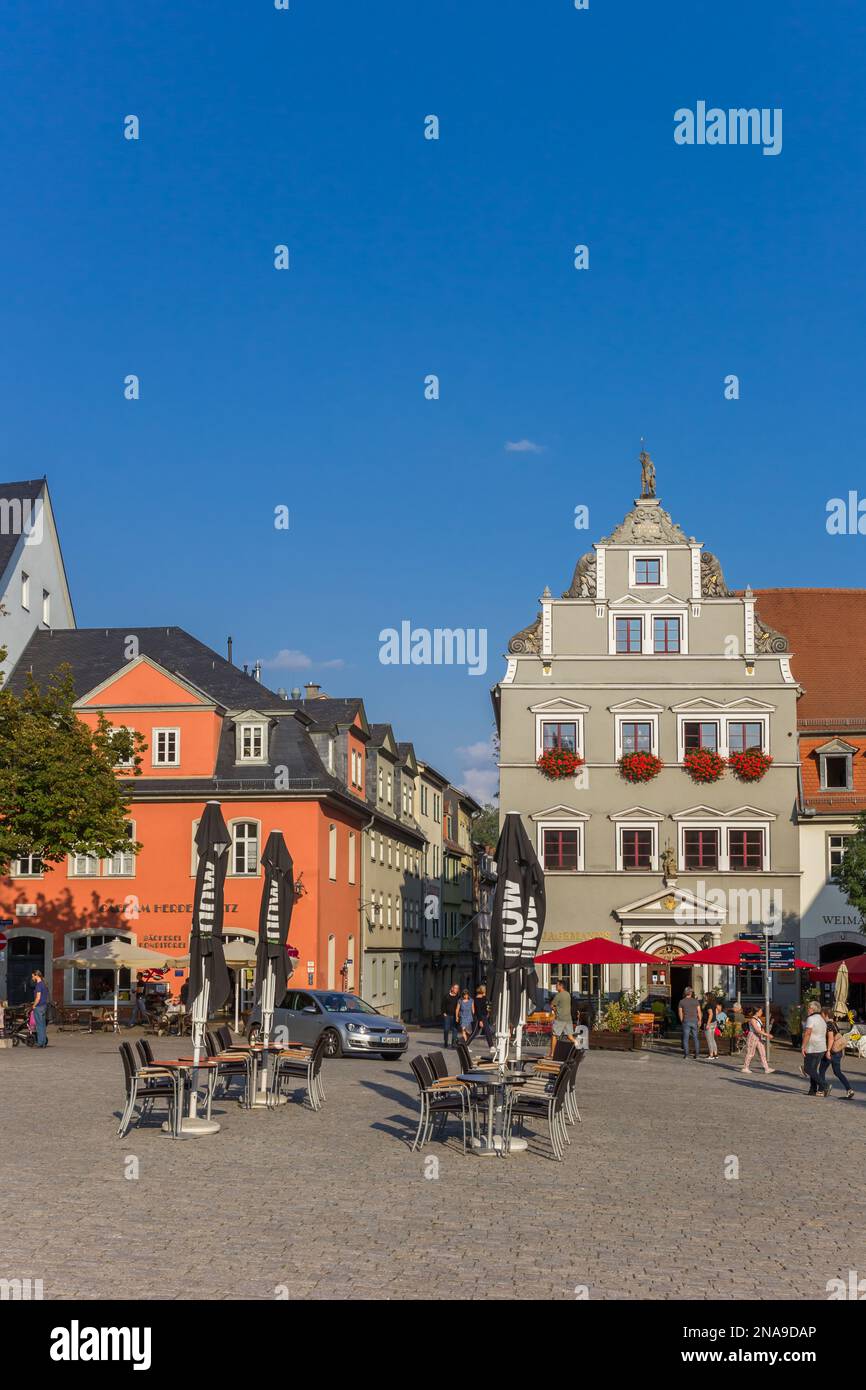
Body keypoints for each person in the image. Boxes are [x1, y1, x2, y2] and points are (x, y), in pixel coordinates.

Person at [819, 1008, 855, 1099]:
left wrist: (828, 1051)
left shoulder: (829, 1025)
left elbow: (831, 1038)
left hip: (831, 1052)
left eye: (822, 1014)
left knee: (822, 1070)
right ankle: (849, 1089)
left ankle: (823, 1090)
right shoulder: (835, 1024)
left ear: (826, 1015)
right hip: (838, 1051)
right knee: (837, 1072)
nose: (821, 1016)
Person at [801, 1001, 829, 1095]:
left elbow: (808, 1033)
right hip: (821, 1047)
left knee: (808, 1068)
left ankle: (825, 1085)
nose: (807, 1010)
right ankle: (812, 1090)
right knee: (813, 1069)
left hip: (812, 1047)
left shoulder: (811, 1018)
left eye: (808, 1008)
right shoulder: (822, 1019)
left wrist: (803, 1046)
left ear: (812, 1009)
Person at [741, 1005, 775, 1075]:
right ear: (757, 1012)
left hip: (758, 1037)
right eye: (760, 1011)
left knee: (762, 1052)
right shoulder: (752, 1020)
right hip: (753, 1036)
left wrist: (763, 1032)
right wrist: (767, 1035)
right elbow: (756, 1030)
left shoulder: (758, 1019)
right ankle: (745, 1067)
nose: (762, 1012)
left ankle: (766, 1068)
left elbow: (761, 1028)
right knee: (750, 1053)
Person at [549, 979, 574, 1056]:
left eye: (557, 985)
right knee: (570, 1036)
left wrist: (555, 1009)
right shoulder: (568, 994)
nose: (555, 986)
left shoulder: (558, 995)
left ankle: (552, 1054)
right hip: (568, 1019)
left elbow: (552, 1005)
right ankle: (579, 1047)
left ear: (561, 986)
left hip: (560, 1018)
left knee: (554, 1035)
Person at [678, 986, 701, 1059]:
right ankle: (697, 1055)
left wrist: (682, 1020)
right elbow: (699, 1011)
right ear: (691, 993)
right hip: (694, 1020)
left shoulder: (682, 1001)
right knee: (695, 1038)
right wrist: (700, 1020)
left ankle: (686, 1055)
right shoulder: (696, 1001)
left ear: (685, 993)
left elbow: (680, 1012)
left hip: (686, 1021)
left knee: (685, 1039)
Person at [30, 969, 50, 1049]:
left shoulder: (38, 985)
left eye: (33, 976)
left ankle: (39, 1043)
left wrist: (33, 1005)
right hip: (44, 1006)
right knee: (43, 1025)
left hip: (38, 1007)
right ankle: (44, 1042)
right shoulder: (44, 984)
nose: (32, 978)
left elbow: (38, 998)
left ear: (36, 975)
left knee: (39, 1025)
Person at [441, 983, 460, 1047]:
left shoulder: (459, 997)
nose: (456, 989)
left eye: (457, 988)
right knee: (446, 1029)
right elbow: (443, 1005)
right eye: (455, 988)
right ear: (452, 988)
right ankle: (445, 1041)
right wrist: (444, 1013)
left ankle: (453, 1043)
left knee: (455, 1029)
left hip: (455, 1015)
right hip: (447, 1015)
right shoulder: (446, 996)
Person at [702, 995, 720, 1061]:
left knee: (709, 1040)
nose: (705, 997)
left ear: (708, 997)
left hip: (709, 1024)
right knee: (712, 1039)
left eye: (706, 996)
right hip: (714, 1023)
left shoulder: (708, 1005)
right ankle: (715, 1054)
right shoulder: (714, 1004)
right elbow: (717, 1012)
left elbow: (711, 1014)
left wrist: (708, 1023)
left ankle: (711, 1055)